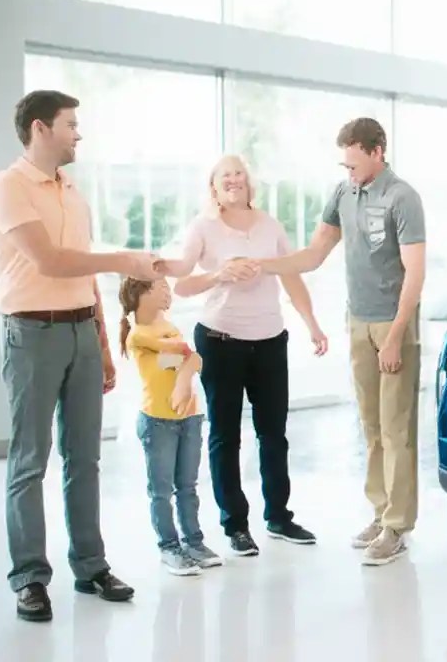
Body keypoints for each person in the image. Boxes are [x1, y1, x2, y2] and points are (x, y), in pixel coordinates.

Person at [0, 90, 160, 622]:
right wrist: (123, 259)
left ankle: (91, 566)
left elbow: (80, 275)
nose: (78, 133)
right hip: (32, 334)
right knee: (30, 460)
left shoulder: (72, 192)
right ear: (41, 128)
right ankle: (30, 578)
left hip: (82, 332)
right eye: (70, 124)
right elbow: (50, 260)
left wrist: (104, 344)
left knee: (85, 458)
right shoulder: (6, 187)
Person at [258, 117, 426, 567]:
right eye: (344, 165)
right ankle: (379, 512)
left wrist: (394, 338)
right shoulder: (343, 192)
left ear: (377, 151)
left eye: (354, 164)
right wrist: (263, 265)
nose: (348, 172)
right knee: (371, 427)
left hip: (394, 324)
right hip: (358, 320)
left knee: (396, 430)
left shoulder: (402, 197)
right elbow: (314, 255)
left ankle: (397, 525)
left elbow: (416, 274)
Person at [162, 154, 328, 556]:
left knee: (274, 434)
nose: (233, 180)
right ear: (214, 186)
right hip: (221, 341)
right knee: (225, 435)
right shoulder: (203, 227)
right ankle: (235, 524)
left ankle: (279, 517)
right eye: (225, 176)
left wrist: (312, 325)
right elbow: (180, 285)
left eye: (239, 173)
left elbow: (291, 275)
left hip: (271, 339)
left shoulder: (270, 225)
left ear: (248, 183)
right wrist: (218, 274)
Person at [118, 275, 222, 576]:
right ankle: (169, 547)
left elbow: (195, 359)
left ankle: (194, 542)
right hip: (158, 421)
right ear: (141, 294)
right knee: (161, 490)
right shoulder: (137, 334)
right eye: (160, 286)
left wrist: (184, 380)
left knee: (188, 487)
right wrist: (185, 369)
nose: (167, 291)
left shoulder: (169, 326)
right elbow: (182, 352)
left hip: (189, 417)